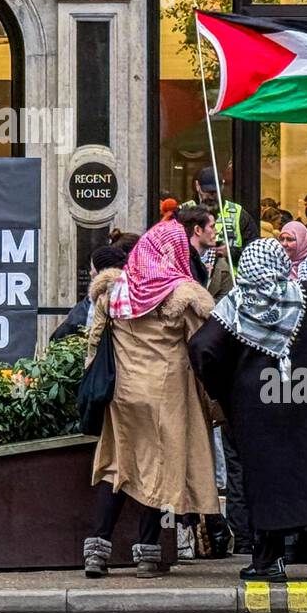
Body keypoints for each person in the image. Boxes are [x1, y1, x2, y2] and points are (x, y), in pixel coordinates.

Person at [188, 223, 307, 582]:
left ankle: (269, 561)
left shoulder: (236, 305)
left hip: (256, 408)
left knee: (265, 479)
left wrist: (227, 390)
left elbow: (202, 348)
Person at [81, 221, 219, 578]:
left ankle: (97, 551)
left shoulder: (113, 292)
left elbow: (93, 343)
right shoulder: (181, 294)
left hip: (122, 396)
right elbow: (205, 346)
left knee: (118, 467)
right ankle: (147, 555)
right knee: (160, 472)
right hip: (166, 397)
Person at [182, 166, 258, 271]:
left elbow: (255, 253)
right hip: (193, 280)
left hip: (231, 280)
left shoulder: (238, 214)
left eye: (215, 191)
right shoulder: (185, 213)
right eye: (207, 192)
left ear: (222, 187)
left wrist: (231, 252)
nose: (211, 196)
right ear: (197, 186)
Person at [50, 244, 127, 342]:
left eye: (92, 268)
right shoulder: (136, 298)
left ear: (101, 272)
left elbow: (58, 338)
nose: (90, 273)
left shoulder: (88, 309)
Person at [177, 204, 233, 298]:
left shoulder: (220, 266)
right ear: (198, 230)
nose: (217, 231)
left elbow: (226, 304)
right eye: (212, 227)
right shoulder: (174, 263)